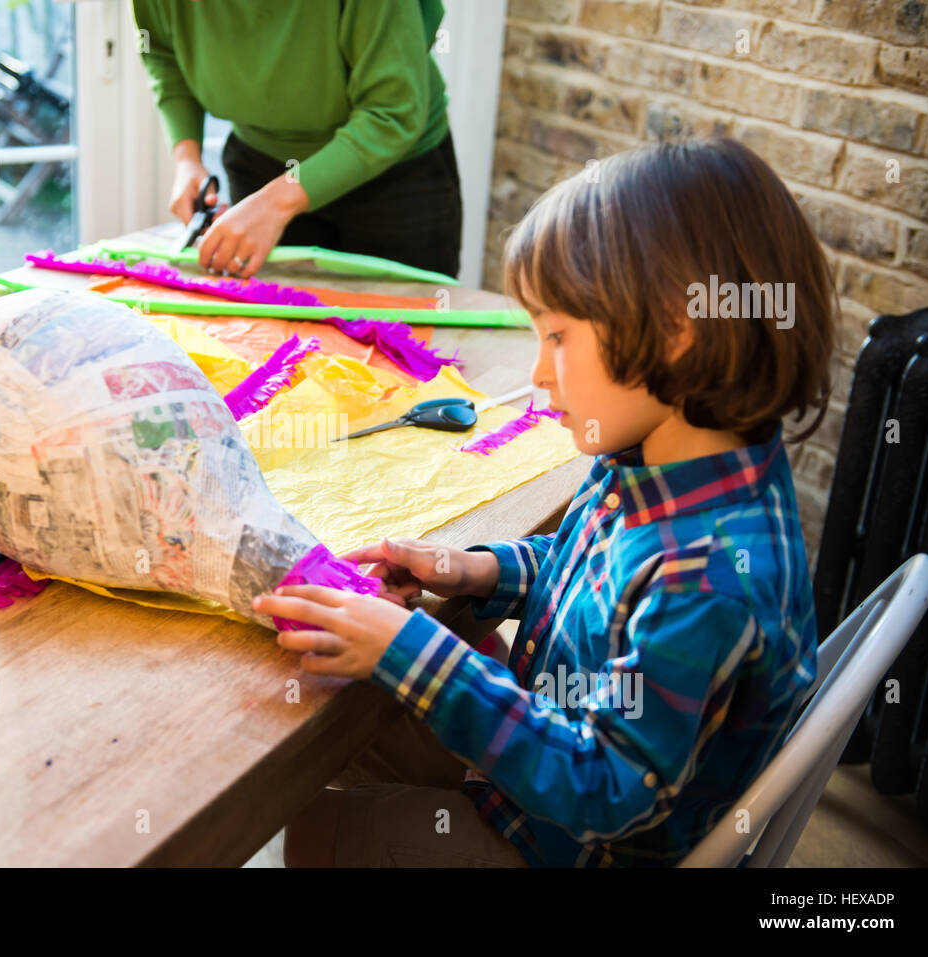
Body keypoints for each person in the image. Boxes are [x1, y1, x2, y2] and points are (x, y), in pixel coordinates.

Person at [253, 136, 838, 867]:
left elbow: (602, 788)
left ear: (674, 333)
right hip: (548, 755)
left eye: (558, 337)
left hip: (572, 843)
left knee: (313, 825)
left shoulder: (708, 577)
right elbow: (582, 566)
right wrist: (474, 571)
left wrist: (414, 648)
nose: (538, 373)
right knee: (344, 714)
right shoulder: (657, 453)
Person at [131, 0, 461, 280]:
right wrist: (187, 157)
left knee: (406, 340)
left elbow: (393, 112)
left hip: (394, 176)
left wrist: (277, 203)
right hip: (260, 165)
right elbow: (161, 51)